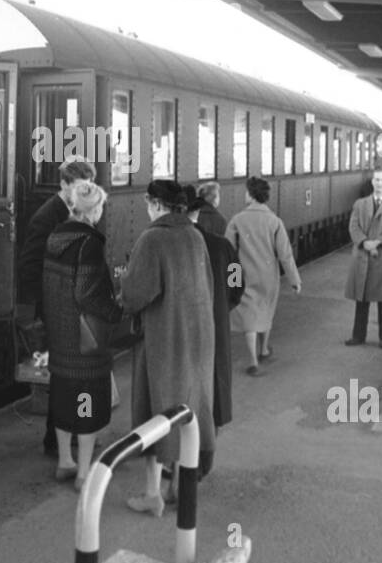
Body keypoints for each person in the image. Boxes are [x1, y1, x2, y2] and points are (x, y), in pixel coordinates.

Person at [119, 180, 216, 517]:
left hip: (163, 338)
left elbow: (136, 295)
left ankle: (152, 495)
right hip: (198, 338)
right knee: (189, 407)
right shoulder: (194, 235)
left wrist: (123, 285)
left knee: (153, 408)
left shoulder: (152, 238)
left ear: (155, 204)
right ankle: (179, 486)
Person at [41, 181, 123, 490]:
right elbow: (87, 294)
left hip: (60, 333)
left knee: (63, 395)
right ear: (95, 209)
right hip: (85, 338)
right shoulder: (89, 244)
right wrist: (115, 312)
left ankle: (65, 461)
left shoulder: (55, 238)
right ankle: (85, 472)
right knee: (86, 399)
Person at [16, 158, 96, 455]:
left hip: (71, 309)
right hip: (57, 310)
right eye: (79, 186)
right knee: (65, 376)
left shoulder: (74, 211)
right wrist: (41, 306)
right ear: (63, 184)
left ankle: (71, 431)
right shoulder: (47, 217)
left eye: (89, 186)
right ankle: (57, 438)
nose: (85, 191)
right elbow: (30, 265)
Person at [226, 176, 302, 375]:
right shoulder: (275, 221)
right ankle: (264, 349)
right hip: (269, 276)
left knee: (249, 315)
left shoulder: (237, 220)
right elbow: (285, 255)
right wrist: (295, 281)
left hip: (243, 275)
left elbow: (229, 253)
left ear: (251, 195)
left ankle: (252, 360)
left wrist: (231, 281)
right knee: (266, 310)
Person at [184, 185, 245, 434]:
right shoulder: (223, 247)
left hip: (183, 326)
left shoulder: (171, 246)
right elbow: (237, 283)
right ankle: (212, 430)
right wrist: (224, 305)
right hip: (216, 320)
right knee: (215, 373)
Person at [345, 169, 382, 348]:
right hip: (363, 255)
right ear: (372, 183)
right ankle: (358, 336)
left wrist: (377, 244)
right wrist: (364, 243)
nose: (379, 183)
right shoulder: (360, 204)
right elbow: (353, 226)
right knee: (361, 299)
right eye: (376, 180)